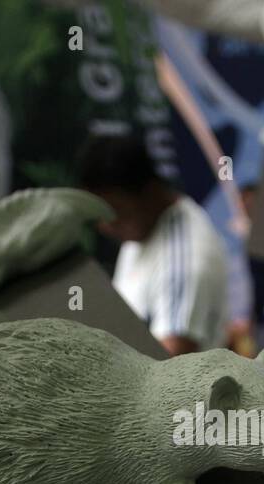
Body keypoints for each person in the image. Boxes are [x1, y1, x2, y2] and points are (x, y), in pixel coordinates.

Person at [76, 133, 229, 355]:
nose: (105, 226)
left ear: (150, 193)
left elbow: (167, 364)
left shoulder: (184, 263)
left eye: (114, 212)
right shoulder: (141, 228)